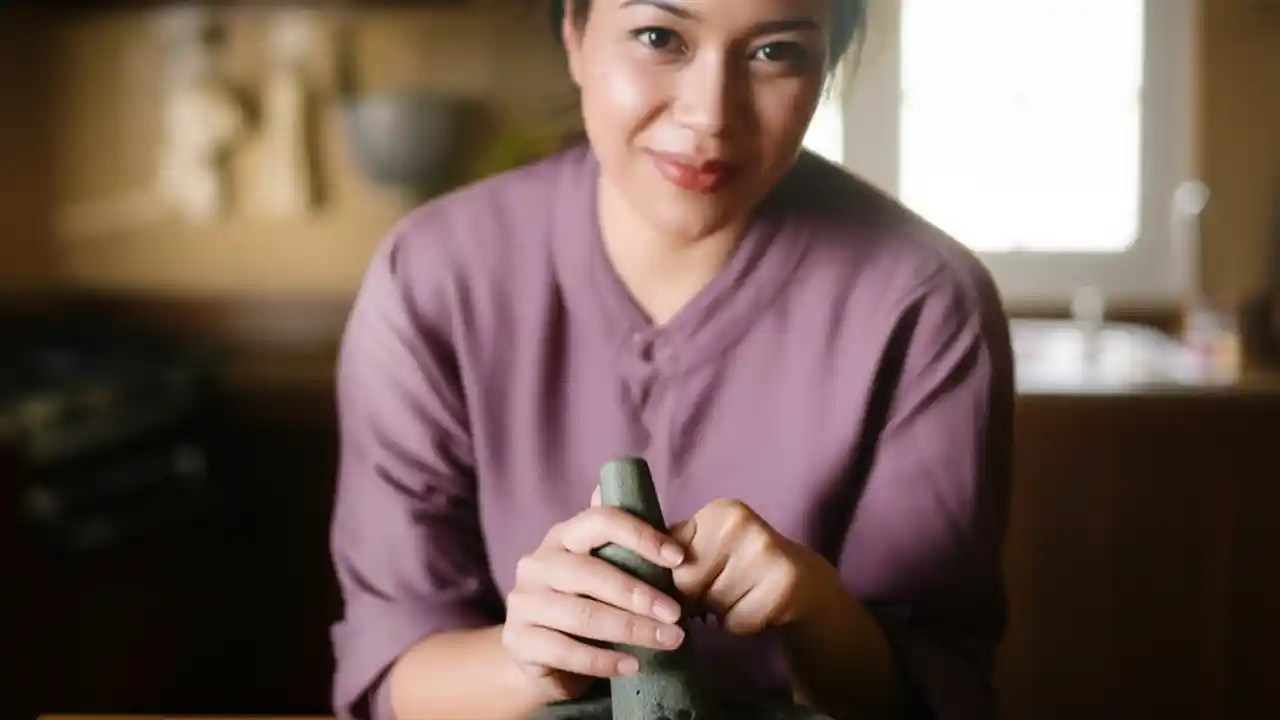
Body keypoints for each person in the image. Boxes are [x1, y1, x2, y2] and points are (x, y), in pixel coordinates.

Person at [329, 1, 1014, 718]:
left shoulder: (923, 300)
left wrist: (818, 613)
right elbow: (390, 673)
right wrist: (527, 659)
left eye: (776, 53)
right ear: (574, 35)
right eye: (659, 38)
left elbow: (941, 689)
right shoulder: (435, 275)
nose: (711, 115)